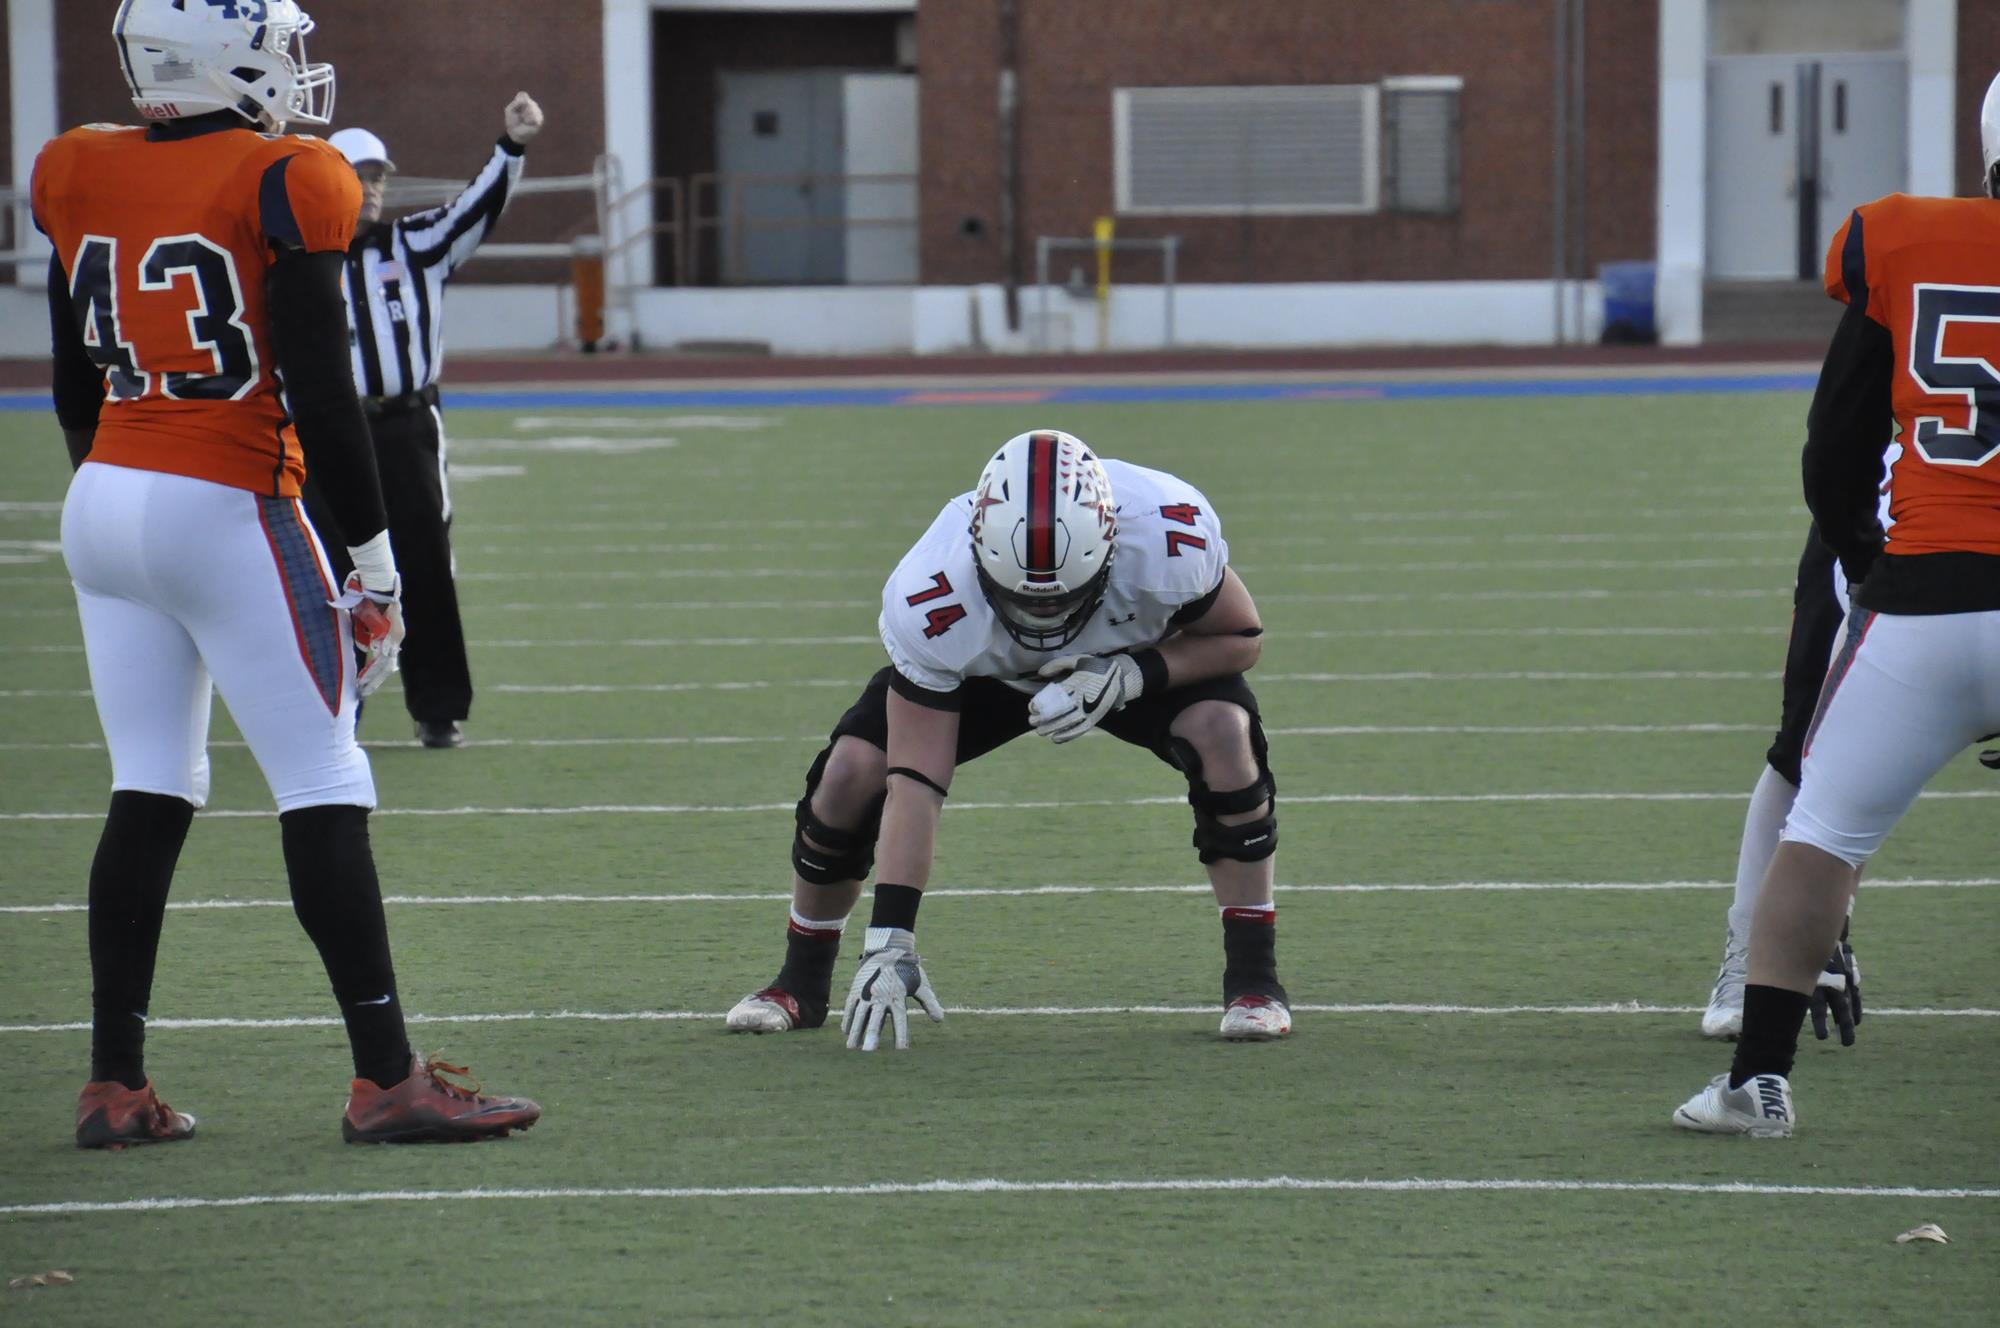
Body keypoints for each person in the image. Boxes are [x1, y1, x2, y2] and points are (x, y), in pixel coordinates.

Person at [38, 0, 538, 1147]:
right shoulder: (288, 175)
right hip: (226, 499)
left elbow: (72, 378)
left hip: (104, 496)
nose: (296, 67)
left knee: (149, 783)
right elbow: (320, 387)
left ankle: (114, 1083)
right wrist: (375, 566)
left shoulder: (75, 165)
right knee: (322, 775)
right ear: (220, 58)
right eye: (279, 46)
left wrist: (123, 493)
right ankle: (388, 1078)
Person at [725, 429, 1290, 1049]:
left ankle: (1254, 981)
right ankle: (801, 981)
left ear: (1112, 545)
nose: (1045, 620)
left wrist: (1133, 675)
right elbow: (916, 782)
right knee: (851, 770)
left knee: (1224, 731)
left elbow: (1242, 637)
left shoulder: (1166, 535)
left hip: (1128, 655)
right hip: (986, 672)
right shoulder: (931, 591)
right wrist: (890, 939)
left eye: (1064, 599)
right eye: (1022, 600)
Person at [1673, 72, 2000, 1137]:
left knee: (1816, 834)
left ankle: (1757, 1081)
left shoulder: (1903, 241)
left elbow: (1832, 450)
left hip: (1924, 597)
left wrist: (1868, 564)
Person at [300, 93, 544, 749]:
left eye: (377, 176)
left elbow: (476, 208)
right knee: (330, 568)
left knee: (424, 561)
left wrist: (511, 146)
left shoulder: (415, 244)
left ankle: (438, 707)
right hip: (329, 430)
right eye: (358, 176)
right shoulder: (299, 258)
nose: (372, 188)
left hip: (405, 426)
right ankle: (335, 706)